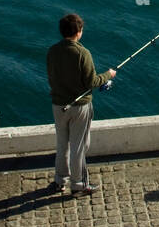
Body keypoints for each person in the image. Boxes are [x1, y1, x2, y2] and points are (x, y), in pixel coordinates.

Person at [47, 13, 116, 194]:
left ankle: (60, 180)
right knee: (79, 146)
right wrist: (109, 75)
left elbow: (52, 76)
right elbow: (92, 82)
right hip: (79, 108)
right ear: (78, 32)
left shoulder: (52, 51)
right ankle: (79, 183)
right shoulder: (82, 53)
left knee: (62, 143)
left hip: (58, 105)